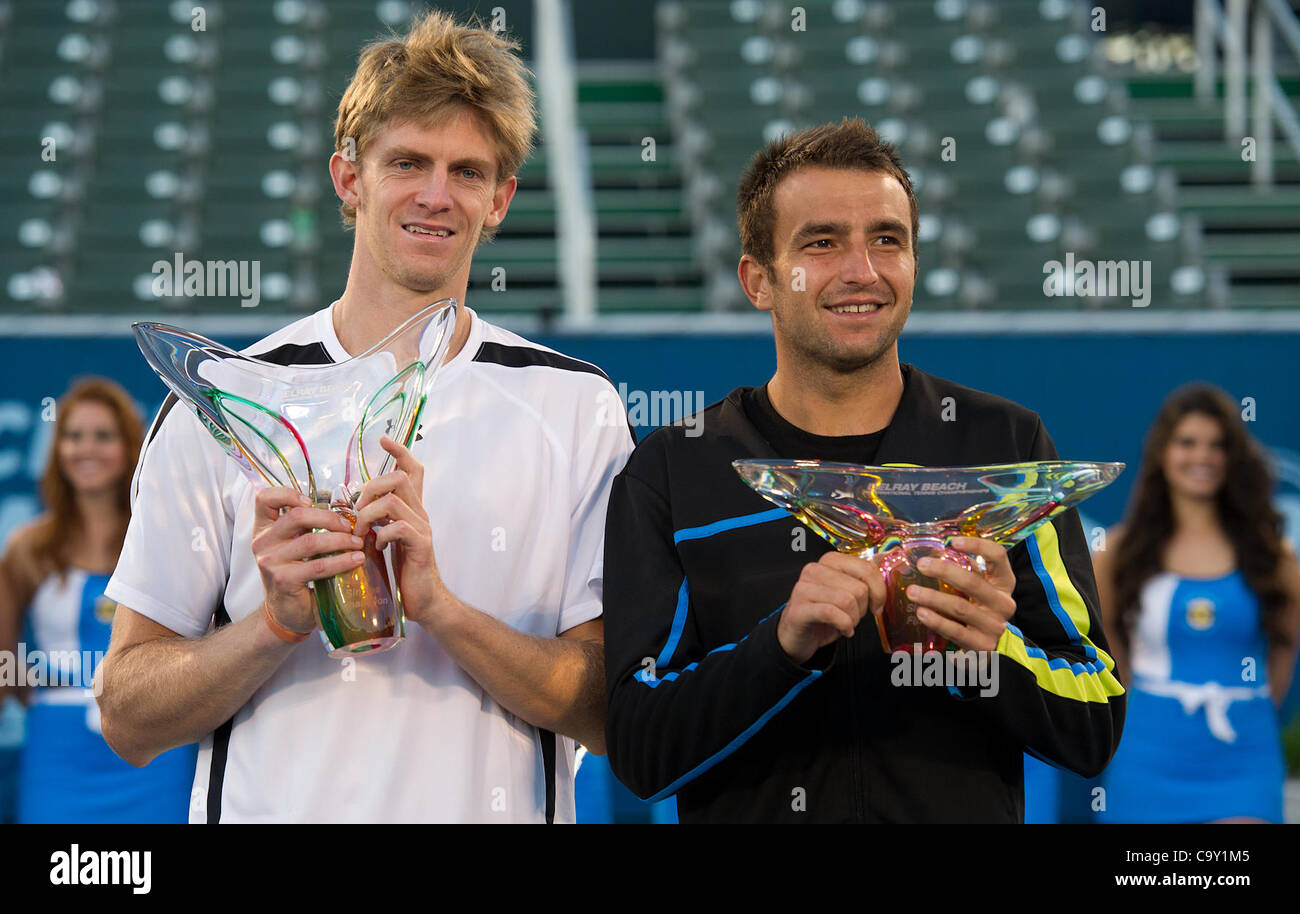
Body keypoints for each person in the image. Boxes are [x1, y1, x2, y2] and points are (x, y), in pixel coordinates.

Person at [95, 11, 632, 823]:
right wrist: (273, 624)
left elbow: (611, 710)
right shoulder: (228, 400)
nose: (435, 195)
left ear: (501, 199)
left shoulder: (575, 405)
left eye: (468, 172)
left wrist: (443, 610)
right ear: (350, 178)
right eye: (407, 162)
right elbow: (125, 715)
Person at [601, 118, 1126, 823]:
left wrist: (988, 649)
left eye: (888, 240)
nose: (863, 270)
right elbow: (639, 750)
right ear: (758, 280)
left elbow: (1094, 724)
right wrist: (782, 647)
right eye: (822, 243)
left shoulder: (1004, 447)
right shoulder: (674, 468)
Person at [1093, 384, 1300, 823]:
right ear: (1164, 453)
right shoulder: (1118, 551)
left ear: (1233, 458)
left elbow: (1284, 646)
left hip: (1244, 760)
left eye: (1217, 445)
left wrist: (1253, 706)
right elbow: (1106, 647)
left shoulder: (1274, 556)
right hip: (1146, 759)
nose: (1201, 457)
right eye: (1187, 442)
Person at [0, 378, 197, 823]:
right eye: (73, 436)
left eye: (103, 436)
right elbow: (2, 658)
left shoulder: (167, 538)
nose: (86, 448)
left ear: (130, 445)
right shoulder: (28, 548)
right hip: (58, 751)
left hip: (155, 743)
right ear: (57, 449)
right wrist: (41, 690)